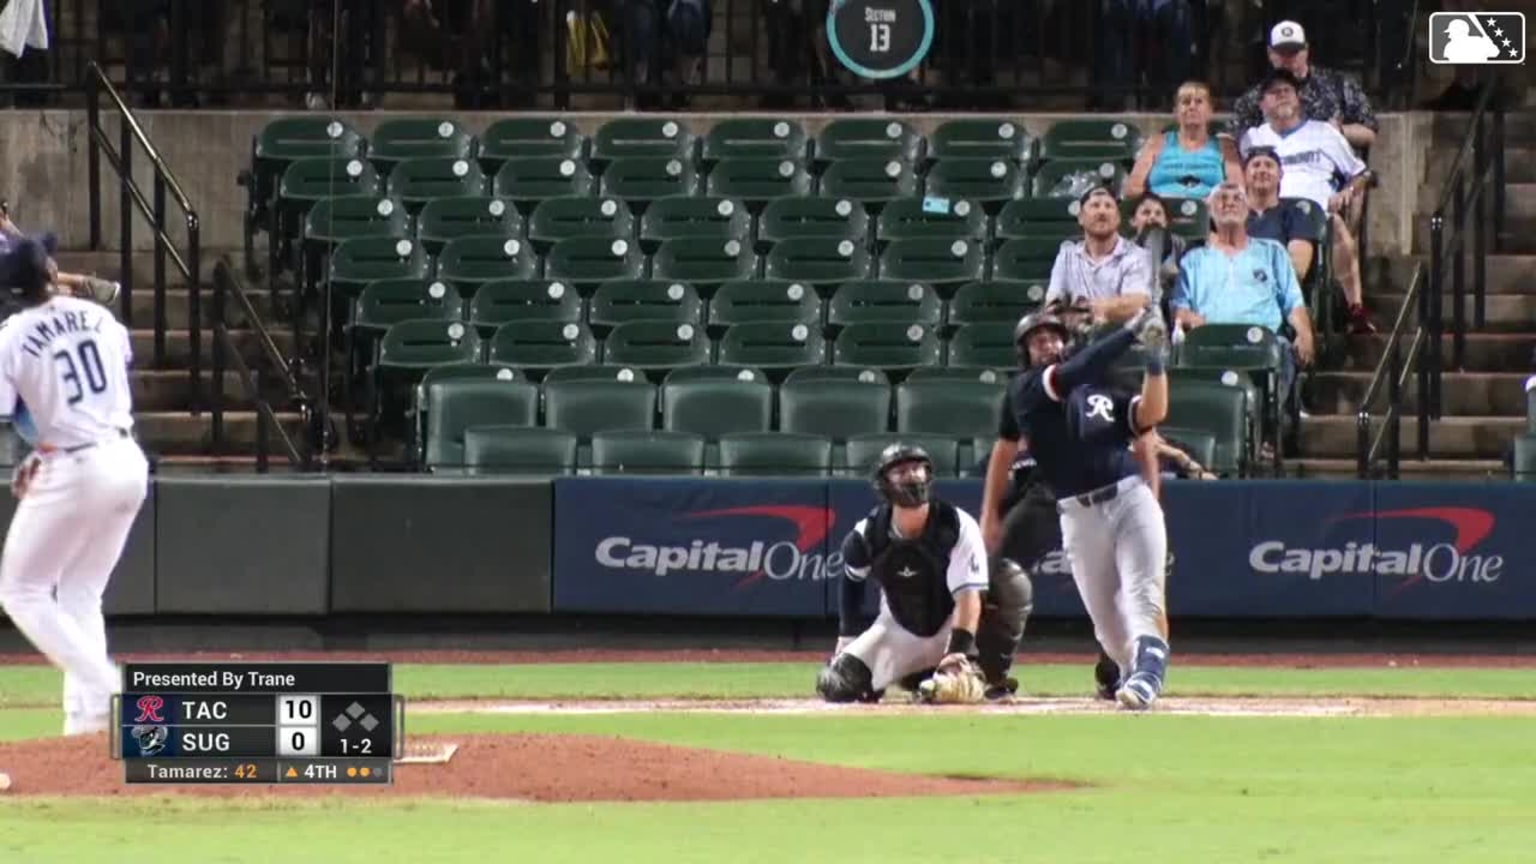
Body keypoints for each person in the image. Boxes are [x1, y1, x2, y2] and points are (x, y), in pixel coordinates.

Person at [979, 305, 1173, 710]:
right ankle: (1133, 671)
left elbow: (1149, 417)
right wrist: (1132, 331)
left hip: (1128, 496)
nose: (1047, 344)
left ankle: (1148, 676)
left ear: (1065, 342)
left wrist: (1155, 364)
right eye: (1037, 341)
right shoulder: (1028, 390)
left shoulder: (1101, 386)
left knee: (1143, 597)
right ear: (1026, 353)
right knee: (1107, 627)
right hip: (1078, 513)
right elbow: (1073, 372)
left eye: (1053, 337)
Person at [0, 238, 149, 736]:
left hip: (76, 467)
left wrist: (39, 446)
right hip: (128, 460)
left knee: (20, 590)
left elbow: (9, 414)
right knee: (81, 592)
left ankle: (107, 687)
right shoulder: (99, 317)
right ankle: (86, 726)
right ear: (49, 272)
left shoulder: (11, 335)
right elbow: (97, 380)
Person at [818, 443, 1035, 705]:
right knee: (835, 683)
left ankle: (990, 677)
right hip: (899, 627)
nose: (912, 476)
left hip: (951, 624)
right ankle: (905, 678)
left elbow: (968, 597)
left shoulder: (956, 524)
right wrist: (847, 639)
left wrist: (957, 653)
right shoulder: (866, 534)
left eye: (918, 469)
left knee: (1010, 581)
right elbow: (851, 582)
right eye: (901, 472)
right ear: (884, 483)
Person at [1171, 181, 1317, 452]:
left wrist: (1305, 333)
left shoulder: (1272, 252)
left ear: (1248, 208)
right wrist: (1191, 318)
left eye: (1237, 197)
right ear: (1210, 211)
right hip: (1210, 343)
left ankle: (1264, 434)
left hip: (1261, 343)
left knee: (1283, 350)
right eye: (1221, 198)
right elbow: (1179, 307)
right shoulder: (1194, 259)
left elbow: (1293, 302)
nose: (1229, 202)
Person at [1239, 70, 1375, 334]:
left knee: (1335, 226)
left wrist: (1347, 191)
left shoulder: (1323, 132)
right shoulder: (1253, 138)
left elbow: (1361, 174)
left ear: (1298, 98)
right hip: (1266, 211)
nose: (1281, 97)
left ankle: (1354, 307)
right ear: (1262, 103)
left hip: (1315, 213)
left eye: (1286, 91)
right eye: (1273, 93)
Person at [1230, 21, 1379, 152]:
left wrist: (1337, 131)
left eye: (1294, 52)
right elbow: (1234, 142)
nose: (1288, 59)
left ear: (1306, 50)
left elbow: (1370, 132)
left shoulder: (1338, 85)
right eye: (1282, 53)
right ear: (1270, 53)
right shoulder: (1255, 98)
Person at [1045, 186, 1155, 329]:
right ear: (1081, 218)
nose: (1102, 212)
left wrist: (1084, 309)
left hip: (1122, 339)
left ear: (1118, 218)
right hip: (1075, 338)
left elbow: (1135, 304)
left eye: (1108, 206)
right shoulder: (1066, 256)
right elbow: (1053, 304)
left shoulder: (1138, 255)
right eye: (1095, 205)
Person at [1125, 81, 1243, 202]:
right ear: (1176, 111)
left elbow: (1238, 189)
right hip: (1162, 211)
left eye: (1199, 102)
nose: (1192, 107)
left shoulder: (1224, 145)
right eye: (1186, 102)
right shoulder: (1156, 142)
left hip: (1209, 213)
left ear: (1210, 111)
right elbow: (1133, 188)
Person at [1241, 147, 1321, 285]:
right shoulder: (1230, 214)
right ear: (1244, 175)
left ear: (1280, 174)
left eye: (1269, 165)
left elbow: (1297, 271)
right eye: (1255, 165)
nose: (1262, 170)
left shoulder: (1297, 212)